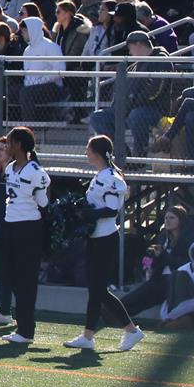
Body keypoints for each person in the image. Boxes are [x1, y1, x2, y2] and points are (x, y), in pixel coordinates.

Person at [65, 134, 144, 352]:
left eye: (88, 149)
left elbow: (110, 210)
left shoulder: (111, 178)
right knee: (95, 289)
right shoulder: (101, 175)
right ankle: (88, 336)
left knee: (98, 290)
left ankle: (132, 330)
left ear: (98, 152)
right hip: (96, 237)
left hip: (106, 238)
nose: (86, 153)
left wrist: (86, 215)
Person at [0, 125, 50, 345]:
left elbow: (43, 203)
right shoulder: (10, 169)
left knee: (26, 280)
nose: (5, 147)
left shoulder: (35, 172)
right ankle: (22, 325)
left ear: (18, 145)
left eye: (9, 142)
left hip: (28, 228)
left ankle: (26, 330)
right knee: (11, 276)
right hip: (10, 226)